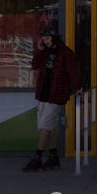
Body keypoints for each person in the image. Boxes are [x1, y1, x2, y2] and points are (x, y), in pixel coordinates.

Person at [24, 26, 81, 172]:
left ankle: (38, 156)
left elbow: (72, 71)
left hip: (56, 94)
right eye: (44, 39)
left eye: (48, 39)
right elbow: (35, 65)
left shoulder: (65, 52)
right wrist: (40, 50)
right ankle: (53, 155)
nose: (46, 41)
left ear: (54, 38)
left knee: (45, 125)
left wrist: (78, 86)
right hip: (43, 93)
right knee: (48, 126)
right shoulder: (45, 52)